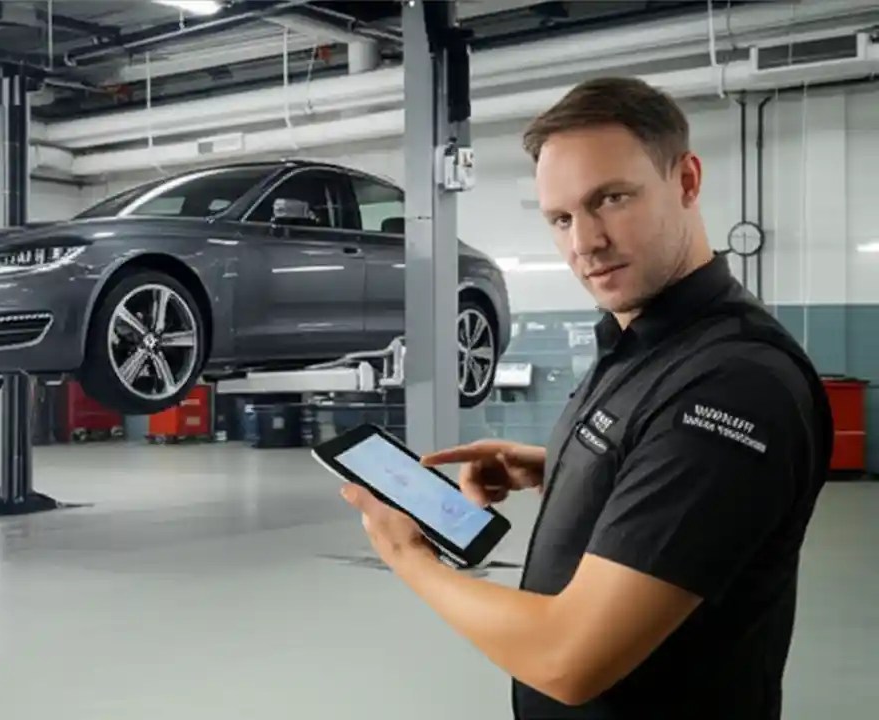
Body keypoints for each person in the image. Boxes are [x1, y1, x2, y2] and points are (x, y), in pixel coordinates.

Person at [339, 76, 834, 719]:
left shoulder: (732, 385)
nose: (584, 243)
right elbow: (683, 478)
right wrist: (572, 468)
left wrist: (410, 557)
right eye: (562, 218)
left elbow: (569, 659)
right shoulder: (644, 338)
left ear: (686, 181)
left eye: (613, 199)